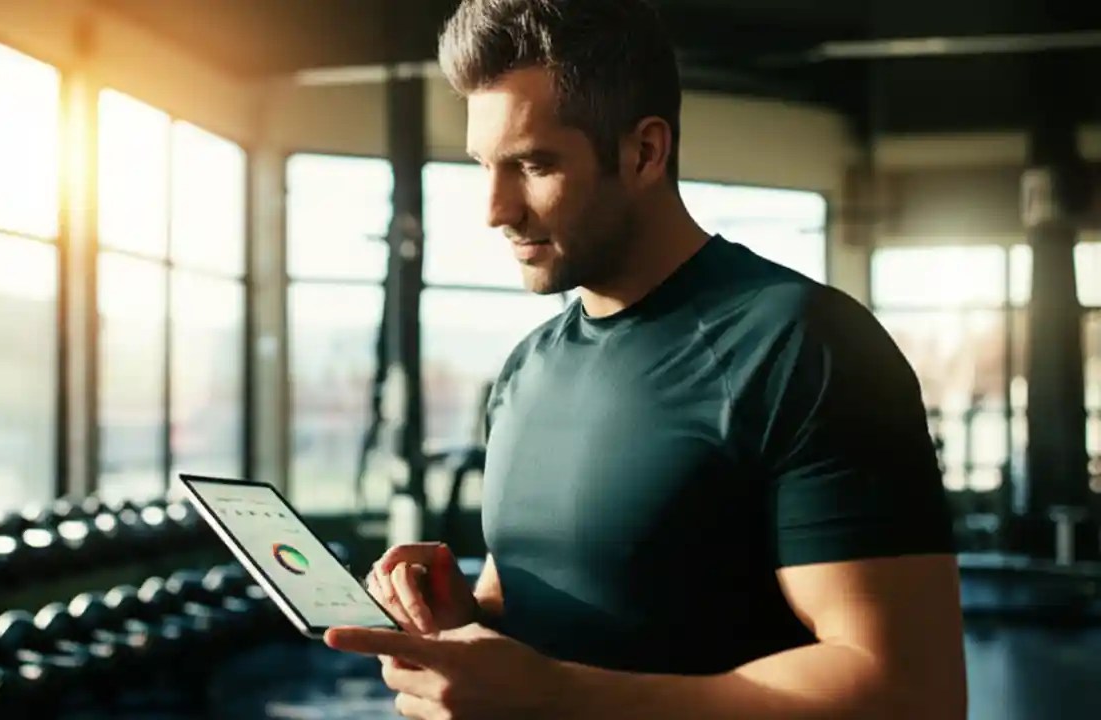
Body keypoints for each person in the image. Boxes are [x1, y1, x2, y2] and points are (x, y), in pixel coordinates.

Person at [324, 1, 968, 718]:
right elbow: (534, 609)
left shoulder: (804, 344)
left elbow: (910, 692)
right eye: (484, 166)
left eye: (533, 164)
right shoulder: (527, 367)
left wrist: (559, 699)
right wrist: (460, 617)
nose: (495, 210)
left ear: (644, 153)